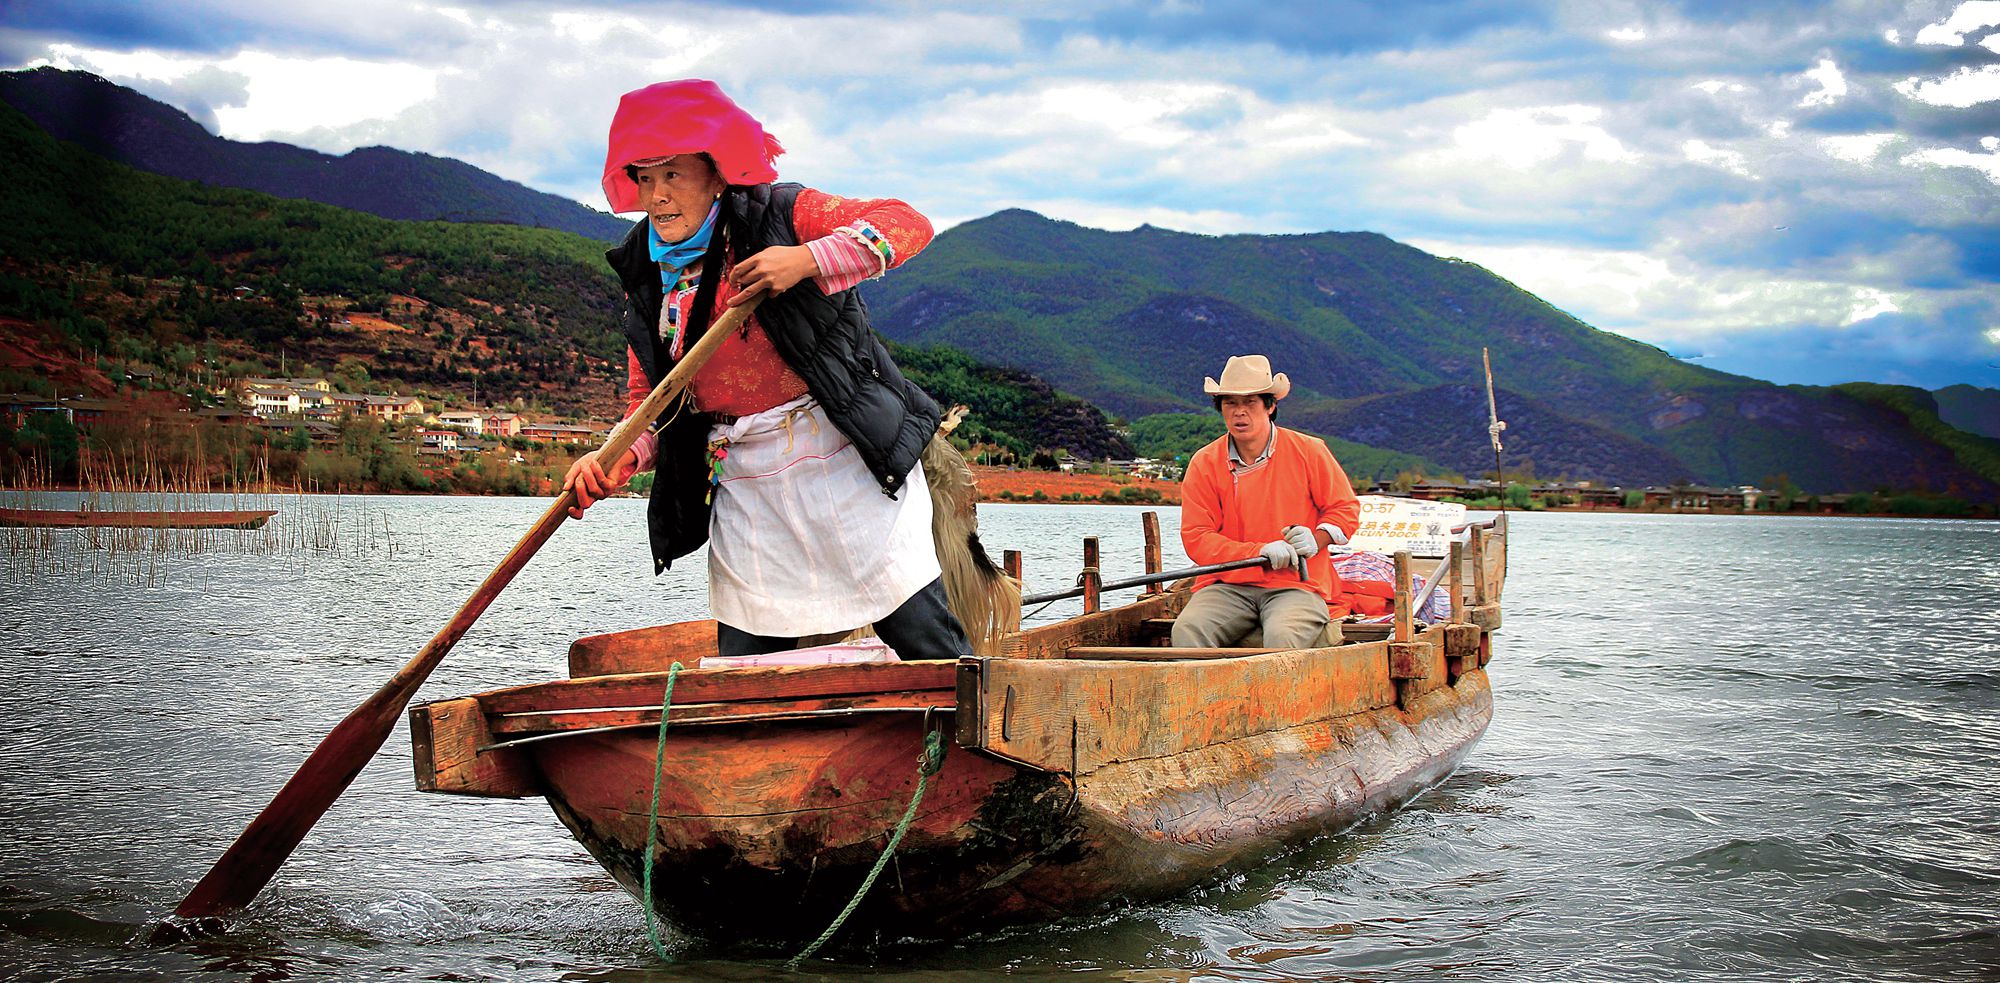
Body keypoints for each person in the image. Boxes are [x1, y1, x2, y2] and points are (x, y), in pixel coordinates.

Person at [562, 79, 972, 662]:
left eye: (673, 175)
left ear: (717, 173)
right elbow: (651, 404)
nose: (657, 196)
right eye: (645, 178)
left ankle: (971, 739)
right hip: (745, 483)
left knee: (922, 639)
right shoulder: (647, 273)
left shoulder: (782, 214)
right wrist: (615, 459)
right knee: (746, 665)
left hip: (841, 462)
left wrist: (806, 260)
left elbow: (907, 223)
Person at [1172, 354, 1361, 649]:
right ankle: (1208, 697)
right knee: (1188, 631)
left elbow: (1344, 510)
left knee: (1282, 637)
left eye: (1250, 403)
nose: (1239, 413)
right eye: (1230, 403)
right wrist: (1258, 550)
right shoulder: (1204, 462)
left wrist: (1316, 539)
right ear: (1220, 408)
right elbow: (1197, 538)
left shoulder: (1310, 451)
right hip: (1226, 584)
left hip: (1297, 583)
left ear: (1270, 406)